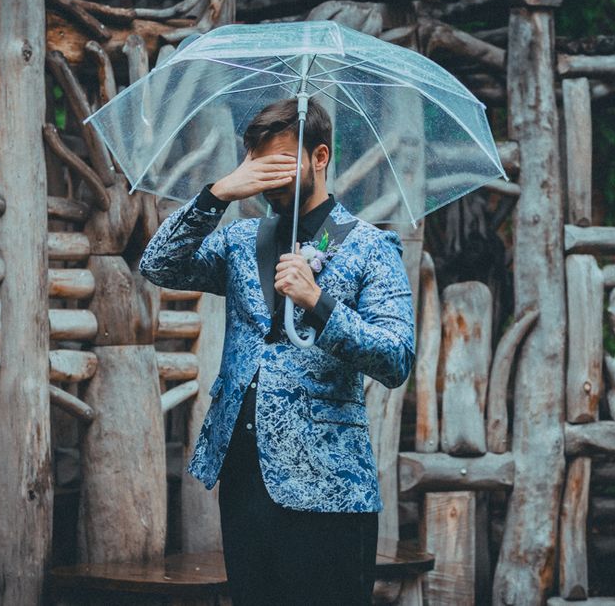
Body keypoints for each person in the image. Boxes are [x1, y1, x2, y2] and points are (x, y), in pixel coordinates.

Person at [139, 98, 415, 605]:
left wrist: (319, 303)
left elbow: (397, 358)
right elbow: (158, 265)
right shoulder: (242, 240)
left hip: (330, 487)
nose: (267, 178)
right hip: (246, 479)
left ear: (319, 157)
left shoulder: (370, 246)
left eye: (280, 164)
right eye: (257, 164)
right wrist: (218, 193)